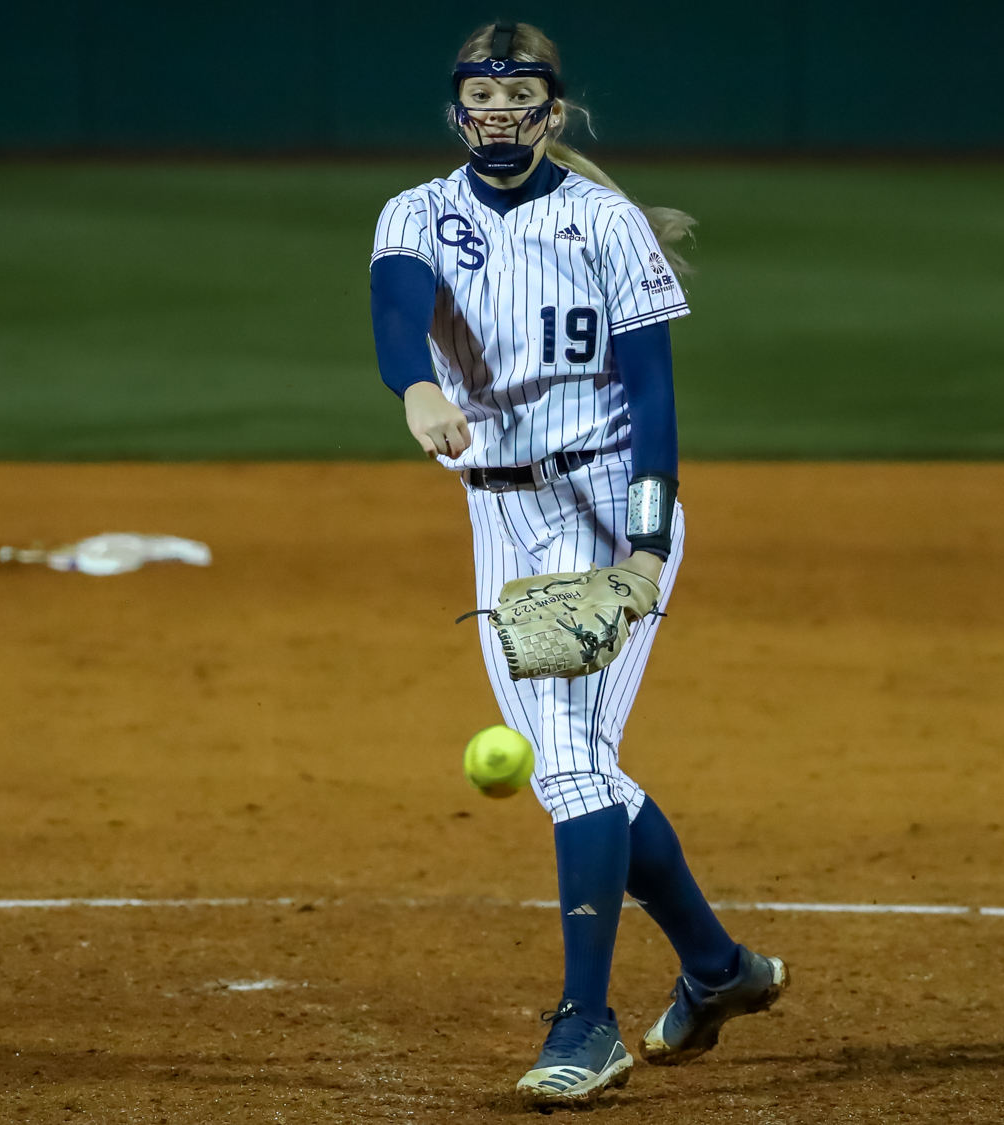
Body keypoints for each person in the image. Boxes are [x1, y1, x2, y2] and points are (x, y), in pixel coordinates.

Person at [367, 21, 790, 1107]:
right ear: (455, 109)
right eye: (479, 97)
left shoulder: (602, 222)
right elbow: (396, 308)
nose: (496, 114)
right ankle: (715, 969)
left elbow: (652, 394)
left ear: (552, 113)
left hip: (603, 503)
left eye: (517, 101)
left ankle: (585, 1023)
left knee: (563, 766)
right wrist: (412, 385)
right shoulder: (414, 211)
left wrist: (647, 550)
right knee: (583, 764)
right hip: (497, 520)